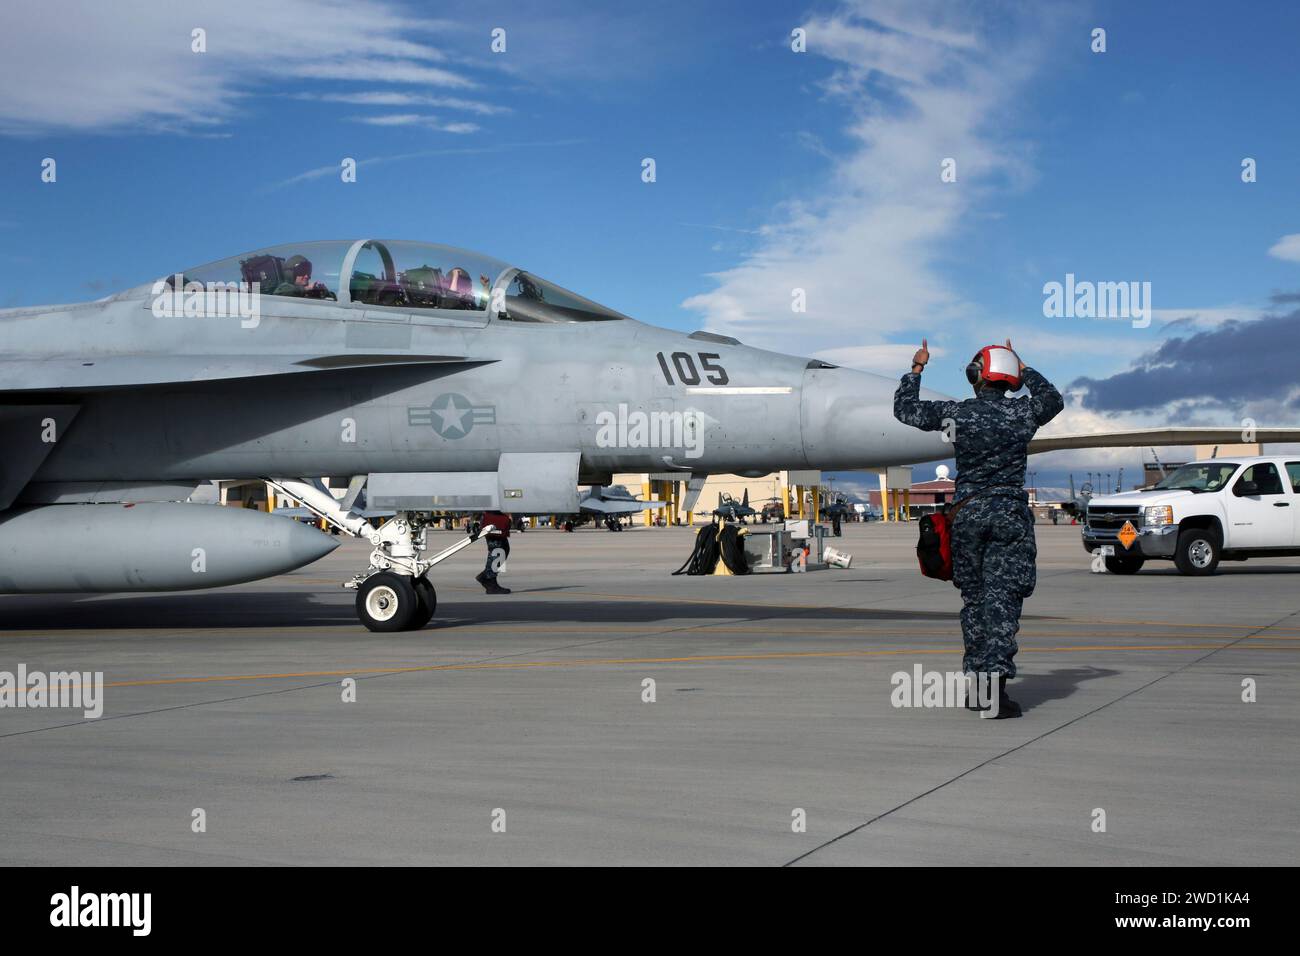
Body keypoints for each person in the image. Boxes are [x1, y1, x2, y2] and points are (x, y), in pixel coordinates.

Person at [894, 338, 1063, 718]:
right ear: (1009, 378)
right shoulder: (1022, 415)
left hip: (967, 516)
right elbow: (1052, 400)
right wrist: (1025, 367)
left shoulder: (959, 415)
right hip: (1008, 516)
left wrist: (917, 368)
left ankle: (977, 688)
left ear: (975, 376)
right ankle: (996, 693)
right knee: (1002, 600)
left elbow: (905, 410)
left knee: (975, 599)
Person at [475, 509, 513, 595]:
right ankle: (490, 580)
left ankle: (487, 576)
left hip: (494, 516)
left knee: (503, 549)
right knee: (498, 550)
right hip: (493, 519)